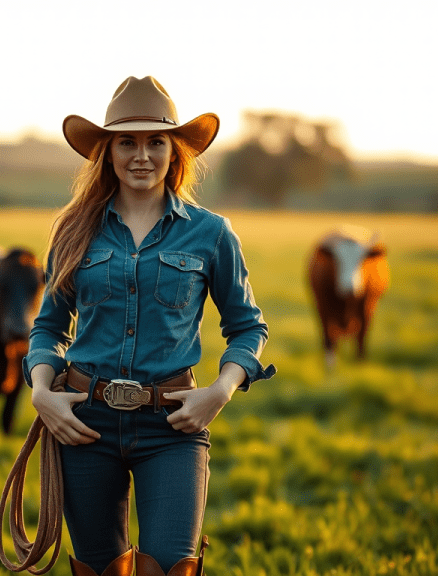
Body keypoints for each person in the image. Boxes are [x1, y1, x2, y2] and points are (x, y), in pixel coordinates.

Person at [24, 76, 275, 576]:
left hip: (174, 424)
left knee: (170, 567)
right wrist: (41, 393)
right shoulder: (74, 229)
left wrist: (219, 391)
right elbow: (49, 326)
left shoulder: (211, 233)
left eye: (155, 141)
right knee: (96, 569)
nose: (142, 156)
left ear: (174, 150)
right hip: (83, 421)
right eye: (127, 142)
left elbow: (247, 327)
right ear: (108, 152)